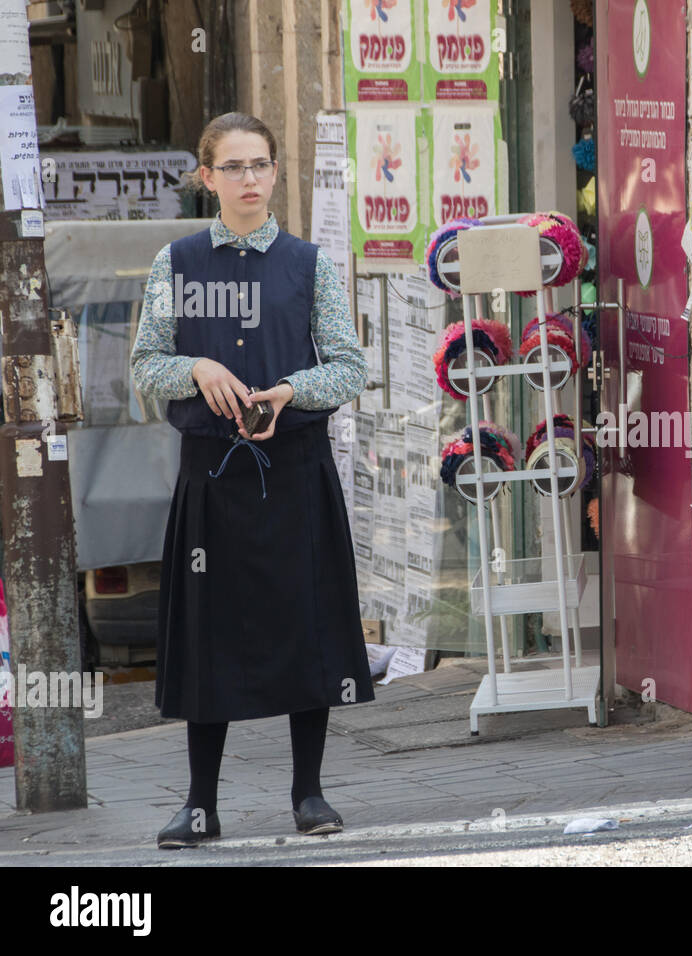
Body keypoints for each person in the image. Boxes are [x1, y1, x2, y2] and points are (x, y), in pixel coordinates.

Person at [130, 112, 373, 848]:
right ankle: (199, 803)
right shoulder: (174, 264)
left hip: (295, 473)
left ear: (275, 173)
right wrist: (196, 368)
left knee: (307, 629)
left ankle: (310, 793)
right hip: (211, 480)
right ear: (207, 178)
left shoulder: (309, 265)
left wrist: (288, 393)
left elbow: (350, 368)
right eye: (232, 167)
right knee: (210, 639)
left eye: (260, 164)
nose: (249, 179)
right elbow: (144, 365)